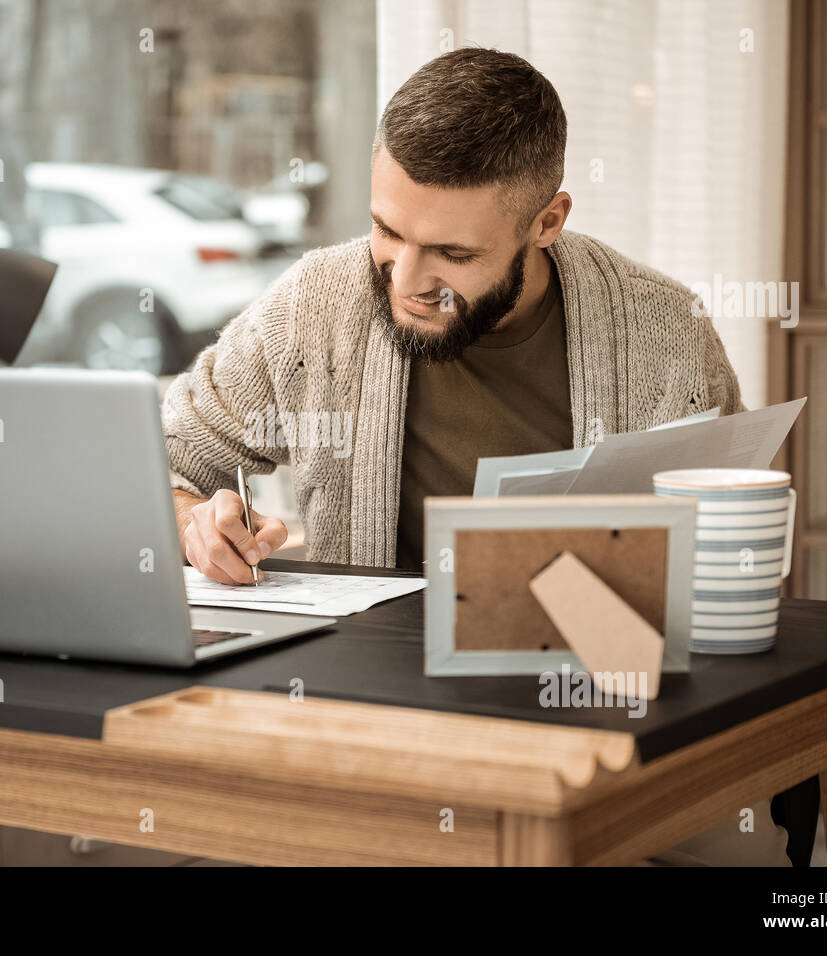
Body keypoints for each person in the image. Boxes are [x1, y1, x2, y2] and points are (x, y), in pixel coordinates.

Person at [163, 47, 792, 866]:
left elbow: (727, 566)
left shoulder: (665, 332)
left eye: (453, 255)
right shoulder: (316, 305)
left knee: (741, 851)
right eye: (388, 231)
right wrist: (195, 519)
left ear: (547, 222)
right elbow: (167, 454)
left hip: (614, 706)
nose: (407, 278)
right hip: (377, 709)